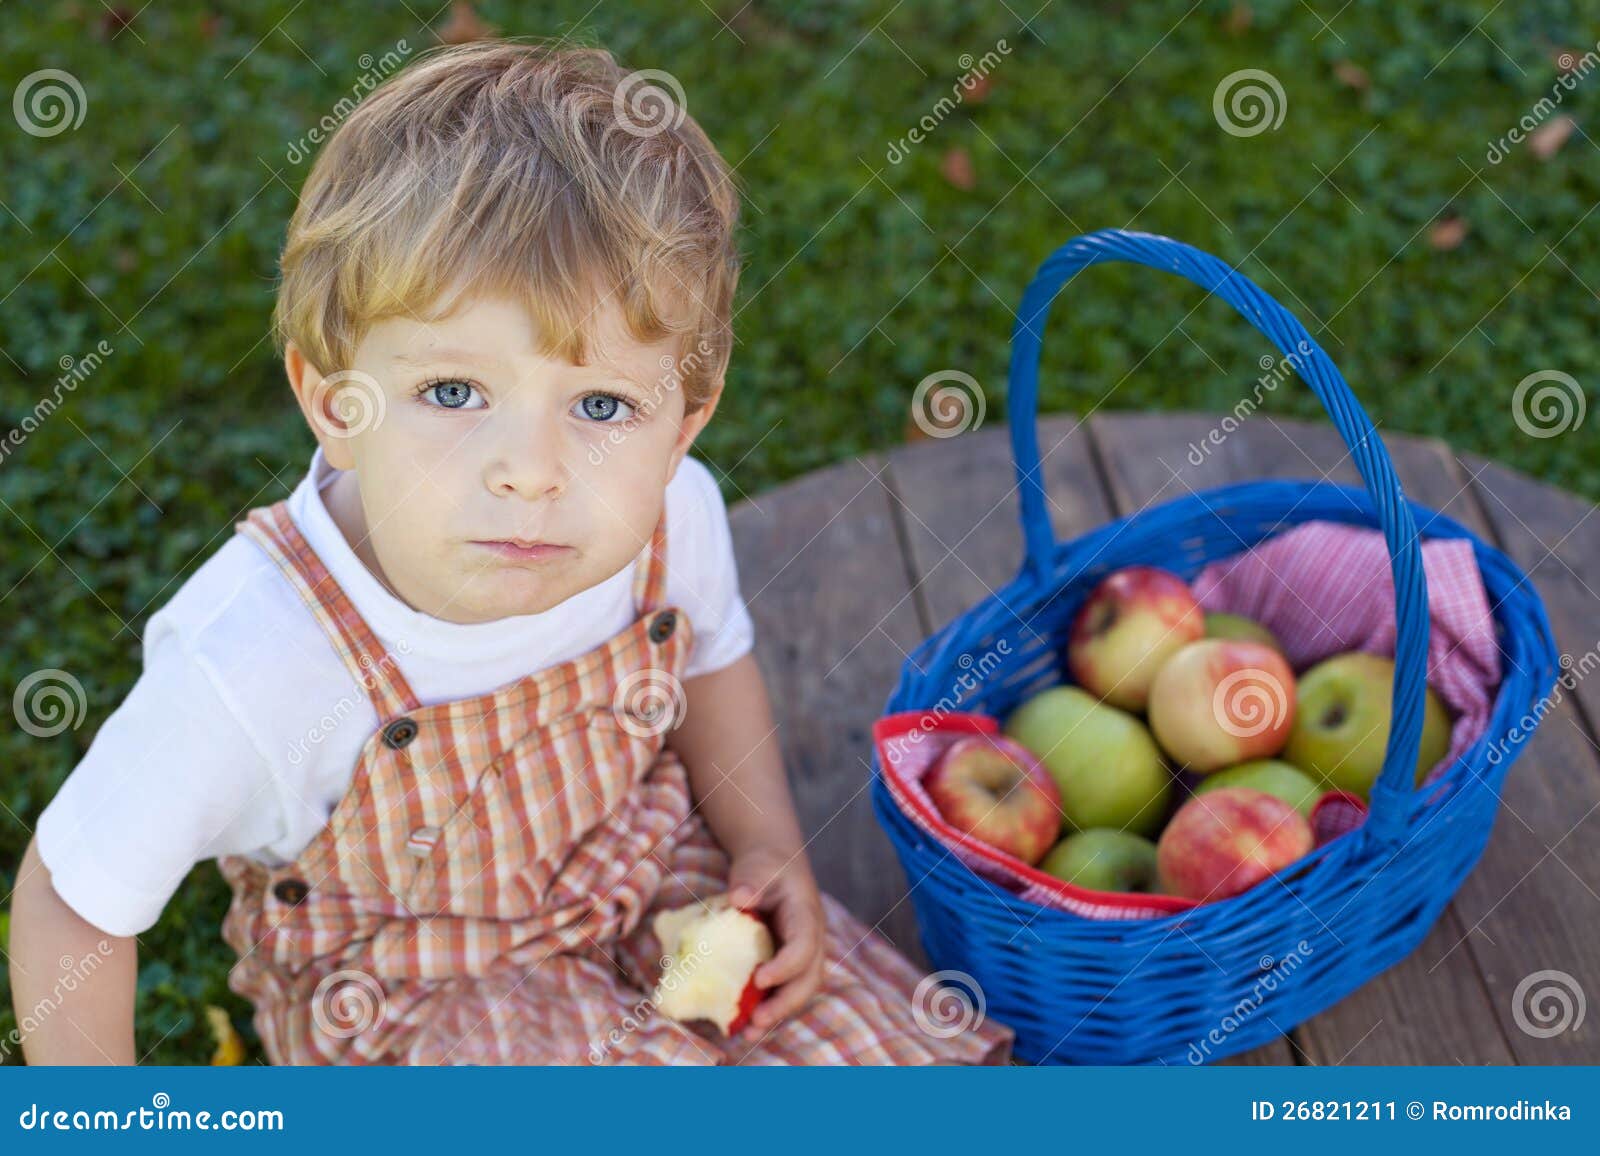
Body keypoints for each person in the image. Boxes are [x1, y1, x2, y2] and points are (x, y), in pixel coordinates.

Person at [10, 38, 1014, 1066]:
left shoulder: (672, 516)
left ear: (685, 422)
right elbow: (69, 900)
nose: (530, 471)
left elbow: (711, 660)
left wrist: (764, 842)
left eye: (602, 404)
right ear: (333, 404)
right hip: (419, 990)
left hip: (637, 866)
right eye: (453, 393)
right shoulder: (257, 664)